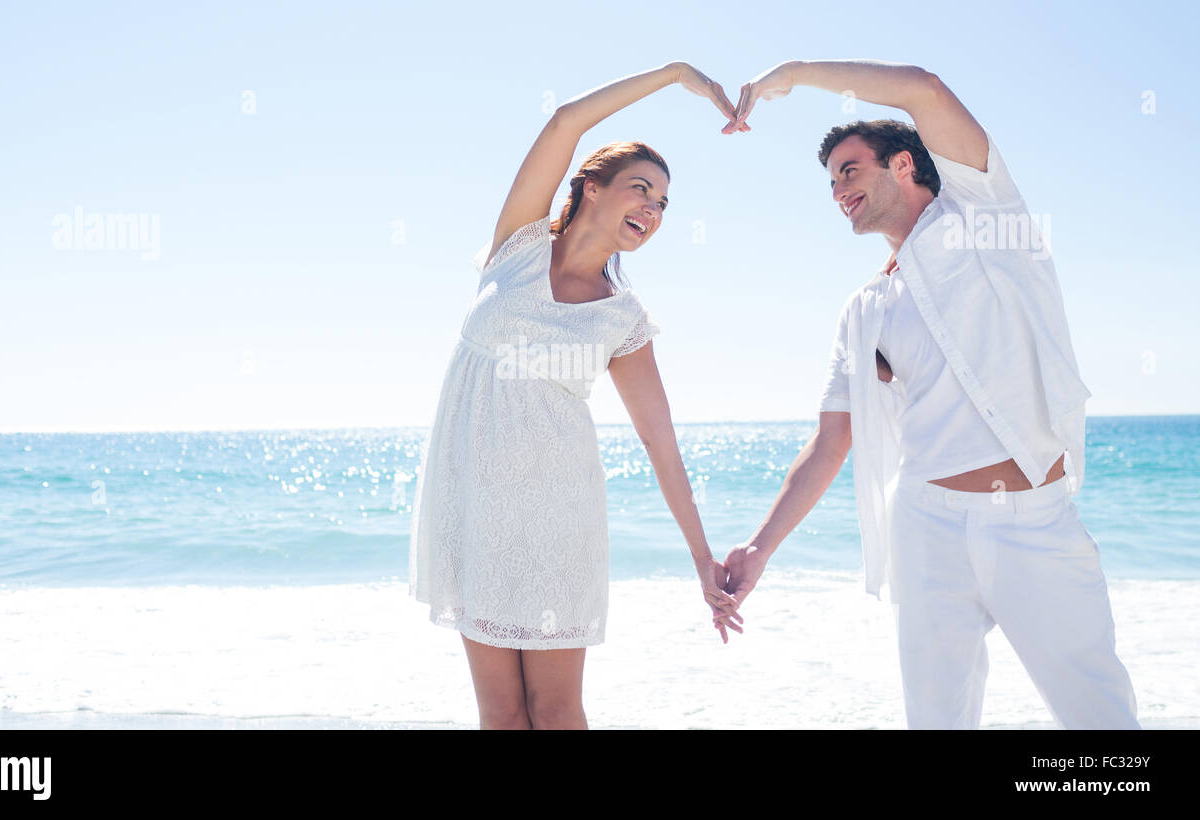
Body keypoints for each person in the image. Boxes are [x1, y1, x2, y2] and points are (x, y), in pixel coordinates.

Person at [716, 59, 1139, 729]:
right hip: (926, 526)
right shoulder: (865, 309)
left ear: (905, 163)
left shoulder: (986, 216)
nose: (837, 192)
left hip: (1034, 519)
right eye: (830, 184)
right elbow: (832, 441)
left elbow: (925, 89)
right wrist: (759, 546)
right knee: (937, 720)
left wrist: (791, 75)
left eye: (849, 171)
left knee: (1100, 719)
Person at [409, 61, 745, 730]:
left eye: (663, 204)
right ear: (589, 188)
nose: (652, 210)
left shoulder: (621, 316)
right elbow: (565, 121)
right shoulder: (518, 247)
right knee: (501, 714)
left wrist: (703, 559)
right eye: (641, 189)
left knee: (555, 710)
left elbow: (660, 443)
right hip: (474, 506)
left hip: (560, 516)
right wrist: (677, 75)